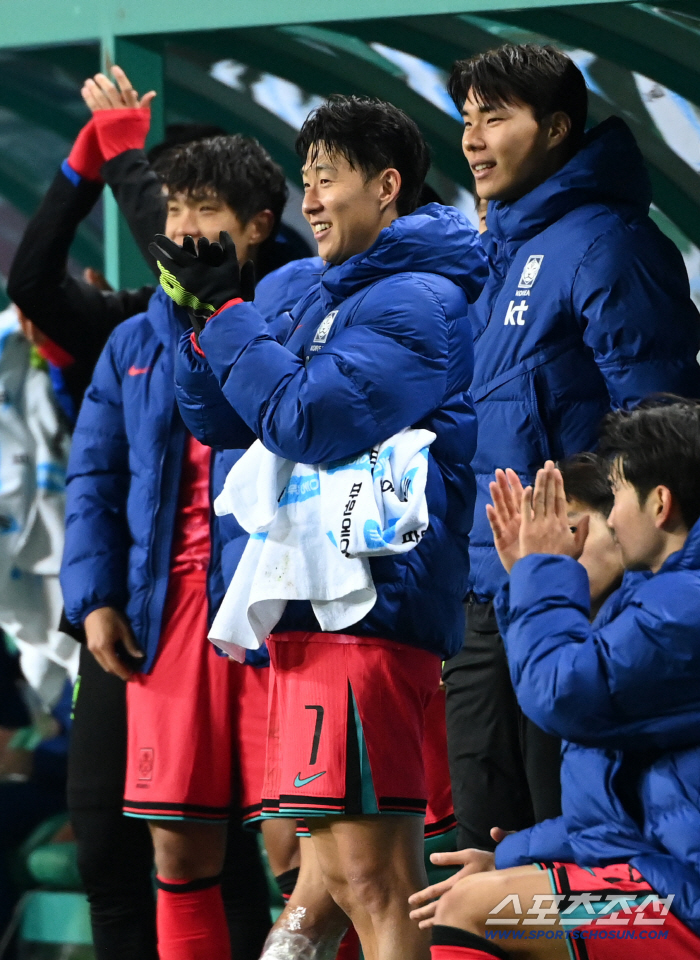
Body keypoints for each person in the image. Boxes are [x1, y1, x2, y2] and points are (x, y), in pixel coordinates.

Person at [156, 93, 487, 960]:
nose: (309, 200)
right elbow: (224, 419)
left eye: (327, 179)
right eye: (303, 179)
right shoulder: (298, 286)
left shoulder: (424, 300)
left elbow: (312, 419)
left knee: (375, 881)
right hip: (303, 617)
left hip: (373, 614)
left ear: (386, 187)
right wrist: (201, 317)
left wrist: (230, 321)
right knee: (321, 881)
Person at [442, 42, 700, 852]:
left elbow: (663, 429)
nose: (474, 139)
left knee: (570, 855)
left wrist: (609, 559)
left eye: (497, 118)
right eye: (466, 119)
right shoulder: (498, 252)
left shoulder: (610, 247)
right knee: (483, 847)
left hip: (586, 594)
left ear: (556, 128)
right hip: (493, 590)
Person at [60, 127, 303, 960]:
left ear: (259, 224)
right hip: (164, 619)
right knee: (177, 850)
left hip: (272, 617)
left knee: (298, 851)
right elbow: (91, 481)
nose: (187, 226)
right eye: (175, 207)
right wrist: (94, 603)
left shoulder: (293, 320)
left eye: (208, 208)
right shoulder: (132, 340)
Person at [409, 398, 700, 958]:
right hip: (663, 883)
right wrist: (516, 855)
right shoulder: (656, 599)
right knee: (485, 895)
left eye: (617, 498)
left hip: (677, 903)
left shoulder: (681, 606)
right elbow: (622, 811)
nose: (612, 519)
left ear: (660, 504)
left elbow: (560, 694)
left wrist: (540, 572)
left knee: (471, 910)